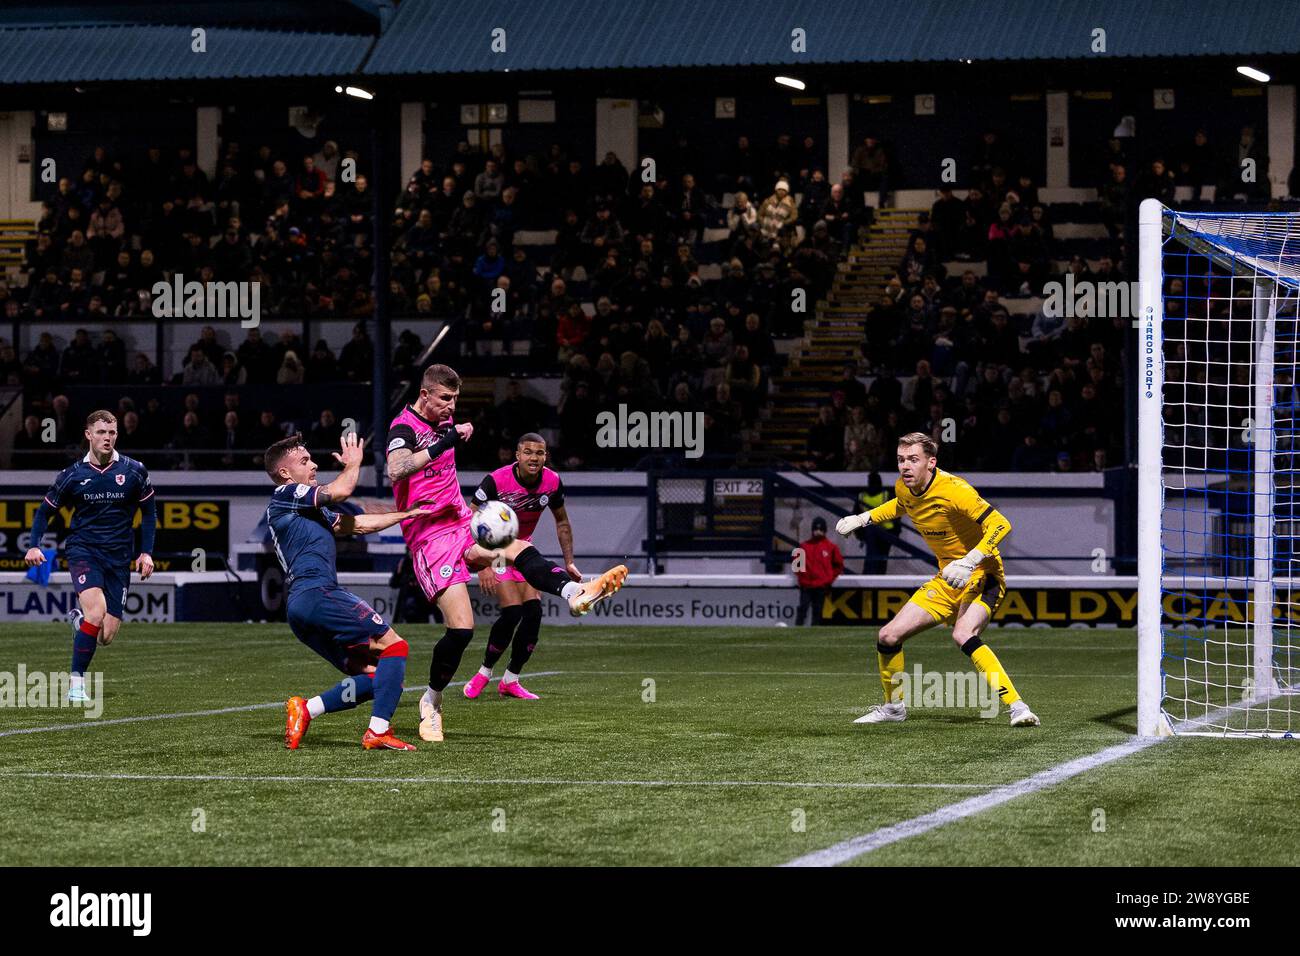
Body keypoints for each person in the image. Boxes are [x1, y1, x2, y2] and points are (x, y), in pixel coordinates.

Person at [385, 364, 629, 742]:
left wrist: (452, 434)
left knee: (519, 546)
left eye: (455, 399)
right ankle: (431, 701)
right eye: (446, 399)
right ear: (425, 395)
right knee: (462, 630)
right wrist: (444, 443)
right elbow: (397, 469)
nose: (452, 406)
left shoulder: (444, 425)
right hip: (428, 538)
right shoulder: (403, 427)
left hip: (461, 523)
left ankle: (575, 593)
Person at [835, 432, 1039, 727]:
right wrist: (864, 519)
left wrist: (969, 561)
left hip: (983, 574)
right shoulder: (904, 487)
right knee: (888, 636)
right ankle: (893, 709)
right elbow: (900, 505)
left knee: (962, 634)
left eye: (913, 460)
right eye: (901, 460)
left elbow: (1000, 523)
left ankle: (1018, 707)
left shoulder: (955, 490)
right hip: (947, 579)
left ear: (931, 462)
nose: (905, 466)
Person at [267, 432, 430, 751]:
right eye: (304, 461)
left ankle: (305, 709)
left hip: (301, 608)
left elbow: (354, 525)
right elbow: (342, 490)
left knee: (374, 676)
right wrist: (355, 464)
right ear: (285, 472)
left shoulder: (306, 509)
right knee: (395, 647)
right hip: (318, 593)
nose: (313, 465)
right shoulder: (286, 493)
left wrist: (407, 515)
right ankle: (378, 731)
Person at [24, 411, 157, 703]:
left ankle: (79, 622)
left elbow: (149, 513)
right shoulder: (71, 475)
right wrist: (34, 545)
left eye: (111, 433)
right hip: (84, 551)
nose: (107, 438)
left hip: (119, 558)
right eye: (101, 432)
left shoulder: (134, 471)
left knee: (106, 636)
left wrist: (146, 552)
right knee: (96, 612)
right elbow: (45, 512)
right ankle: (76, 684)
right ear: (88, 435)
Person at [466, 433, 579, 700]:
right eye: (528, 452)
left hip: (523, 550)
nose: (534, 458)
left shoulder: (552, 482)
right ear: (517, 455)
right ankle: (484, 672)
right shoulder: (496, 480)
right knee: (512, 611)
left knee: (534, 612)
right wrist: (481, 565)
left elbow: (561, 522)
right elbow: (469, 521)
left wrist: (569, 561)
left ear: (545, 456)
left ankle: (511, 679)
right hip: (495, 551)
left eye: (539, 453)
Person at [794, 517, 843, 626]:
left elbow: (838, 565)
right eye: (816, 529)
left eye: (820, 530)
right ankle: (798, 628)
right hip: (806, 585)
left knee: (818, 611)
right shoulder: (803, 546)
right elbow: (796, 564)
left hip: (821, 585)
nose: (818, 532)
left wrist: (829, 579)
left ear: (824, 530)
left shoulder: (831, 547)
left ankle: (814, 631)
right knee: (803, 608)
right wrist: (802, 578)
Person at [855, 471, 895, 573]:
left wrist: (859, 534)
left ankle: (868, 580)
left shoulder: (862, 496)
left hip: (872, 532)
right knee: (882, 559)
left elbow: (855, 517)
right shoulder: (886, 495)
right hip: (886, 532)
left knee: (871, 557)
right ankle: (877, 583)